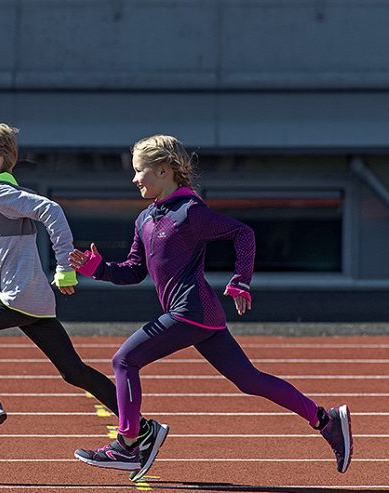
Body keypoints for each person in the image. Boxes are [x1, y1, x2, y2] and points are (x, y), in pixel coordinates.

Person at [71, 135, 352, 476]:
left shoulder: (190, 213)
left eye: (139, 171)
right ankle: (326, 419)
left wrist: (240, 280)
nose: (134, 179)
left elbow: (243, 233)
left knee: (125, 360)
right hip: (199, 315)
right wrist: (96, 269)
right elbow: (134, 271)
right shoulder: (145, 219)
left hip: (190, 311)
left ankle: (130, 442)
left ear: (163, 171)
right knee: (249, 380)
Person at [0, 122, 168, 475]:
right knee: (74, 372)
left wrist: (65, 267)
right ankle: (142, 428)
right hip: (34, 303)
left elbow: (51, 210)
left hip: (18, 299)